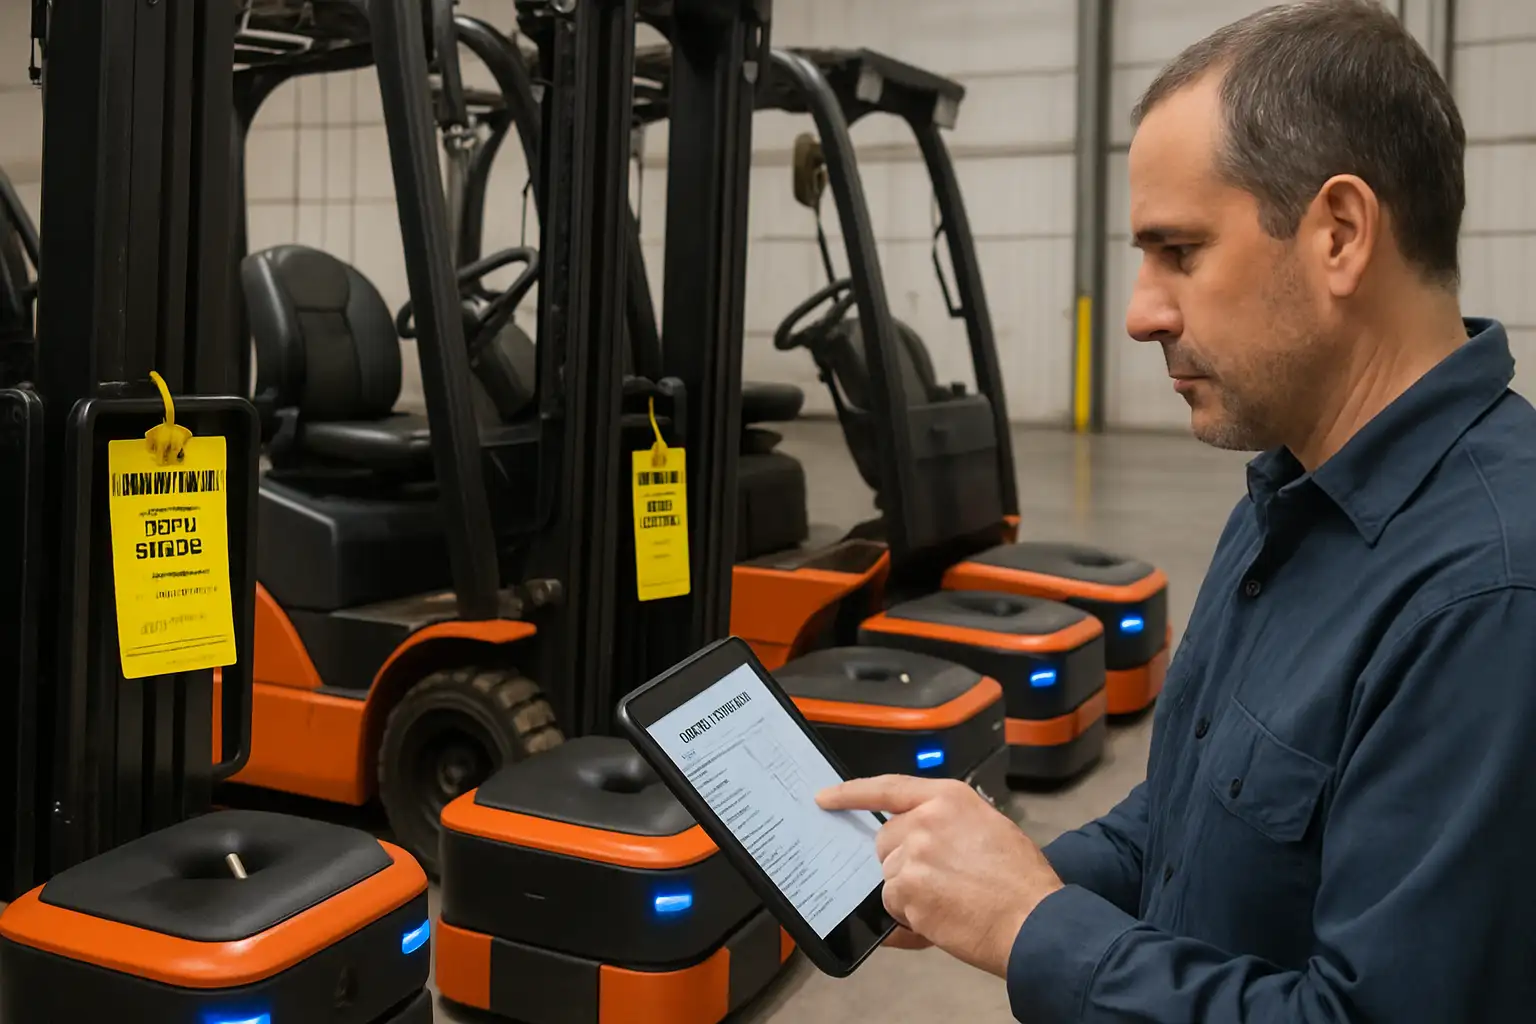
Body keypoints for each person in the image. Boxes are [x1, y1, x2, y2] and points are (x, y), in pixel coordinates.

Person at [816, 1, 1536, 1020]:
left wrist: (1036, 928)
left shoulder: (1488, 600)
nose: (1143, 310)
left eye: (1179, 252)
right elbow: (1192, 814)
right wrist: (992, 874)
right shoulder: (1292, 494)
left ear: (1339, 233)